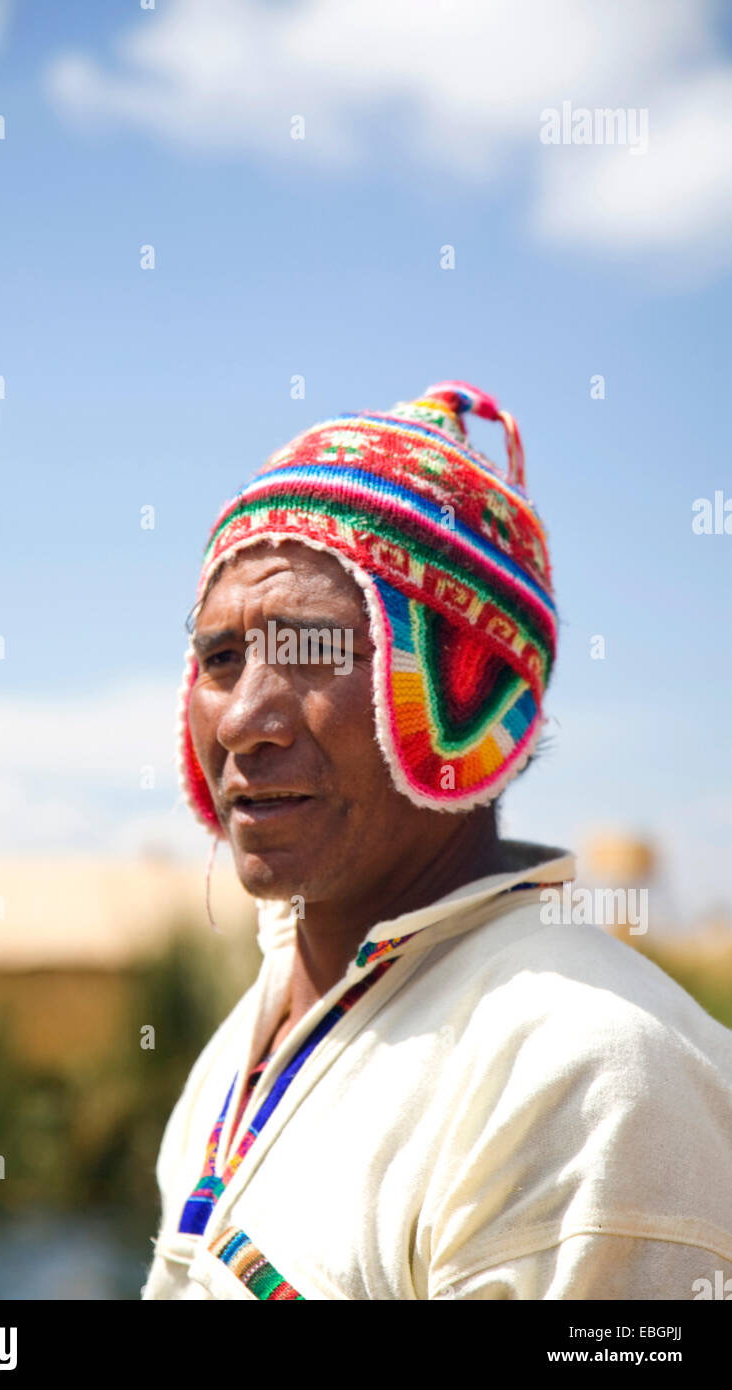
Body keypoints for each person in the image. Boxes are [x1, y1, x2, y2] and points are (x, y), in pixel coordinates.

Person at [141, 379, 732, 1301]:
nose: (242, 719)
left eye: (310, 650)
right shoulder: (245, 1043)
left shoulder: (583, 1071)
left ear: (462, 695)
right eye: (221, 659)